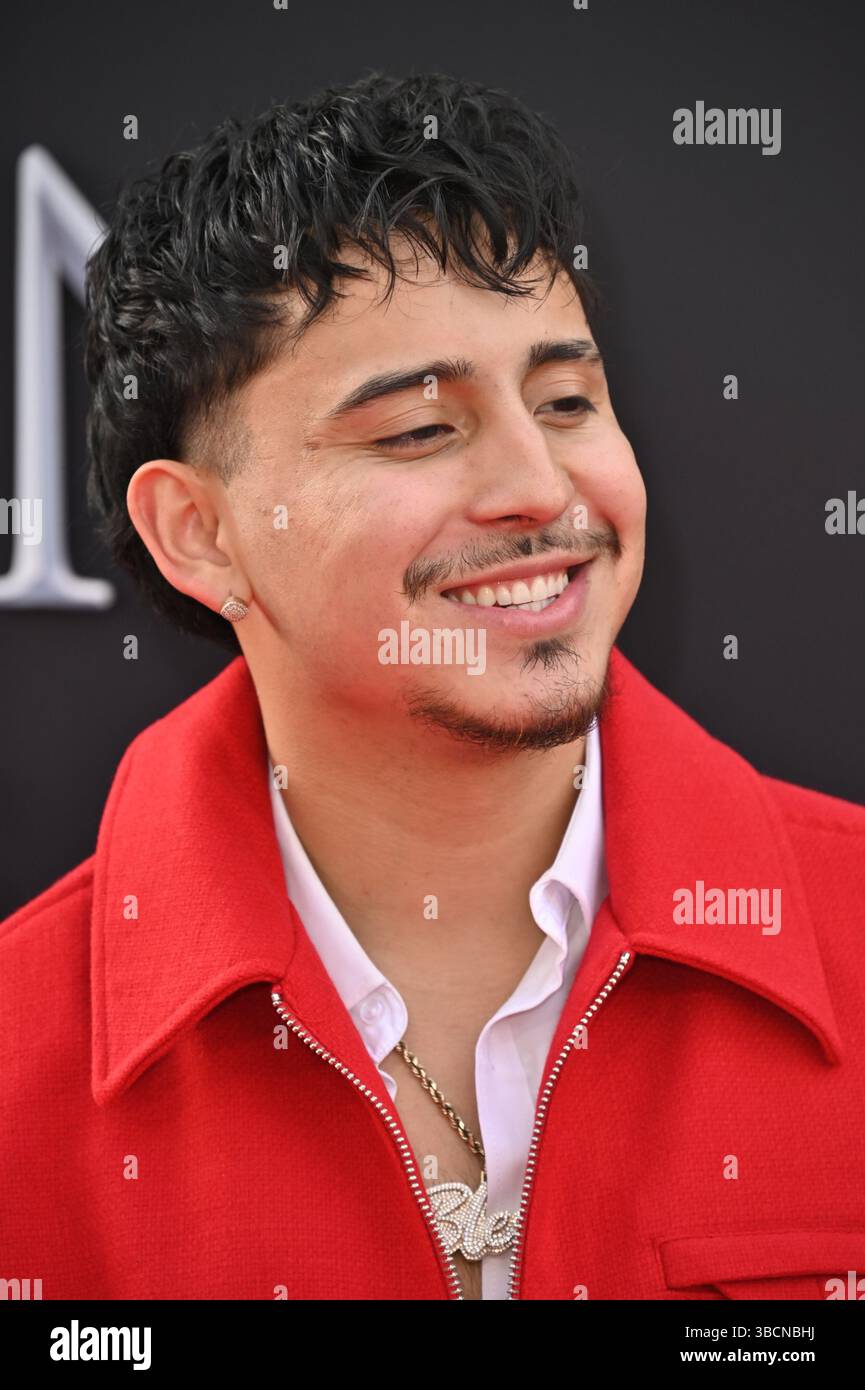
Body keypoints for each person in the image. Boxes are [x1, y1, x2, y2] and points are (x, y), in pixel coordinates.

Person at [2, 71, 864, 1303]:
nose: (539, 485)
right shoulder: (16, 1074)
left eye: (567, 402)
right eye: (418, 428)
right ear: (199, 535)